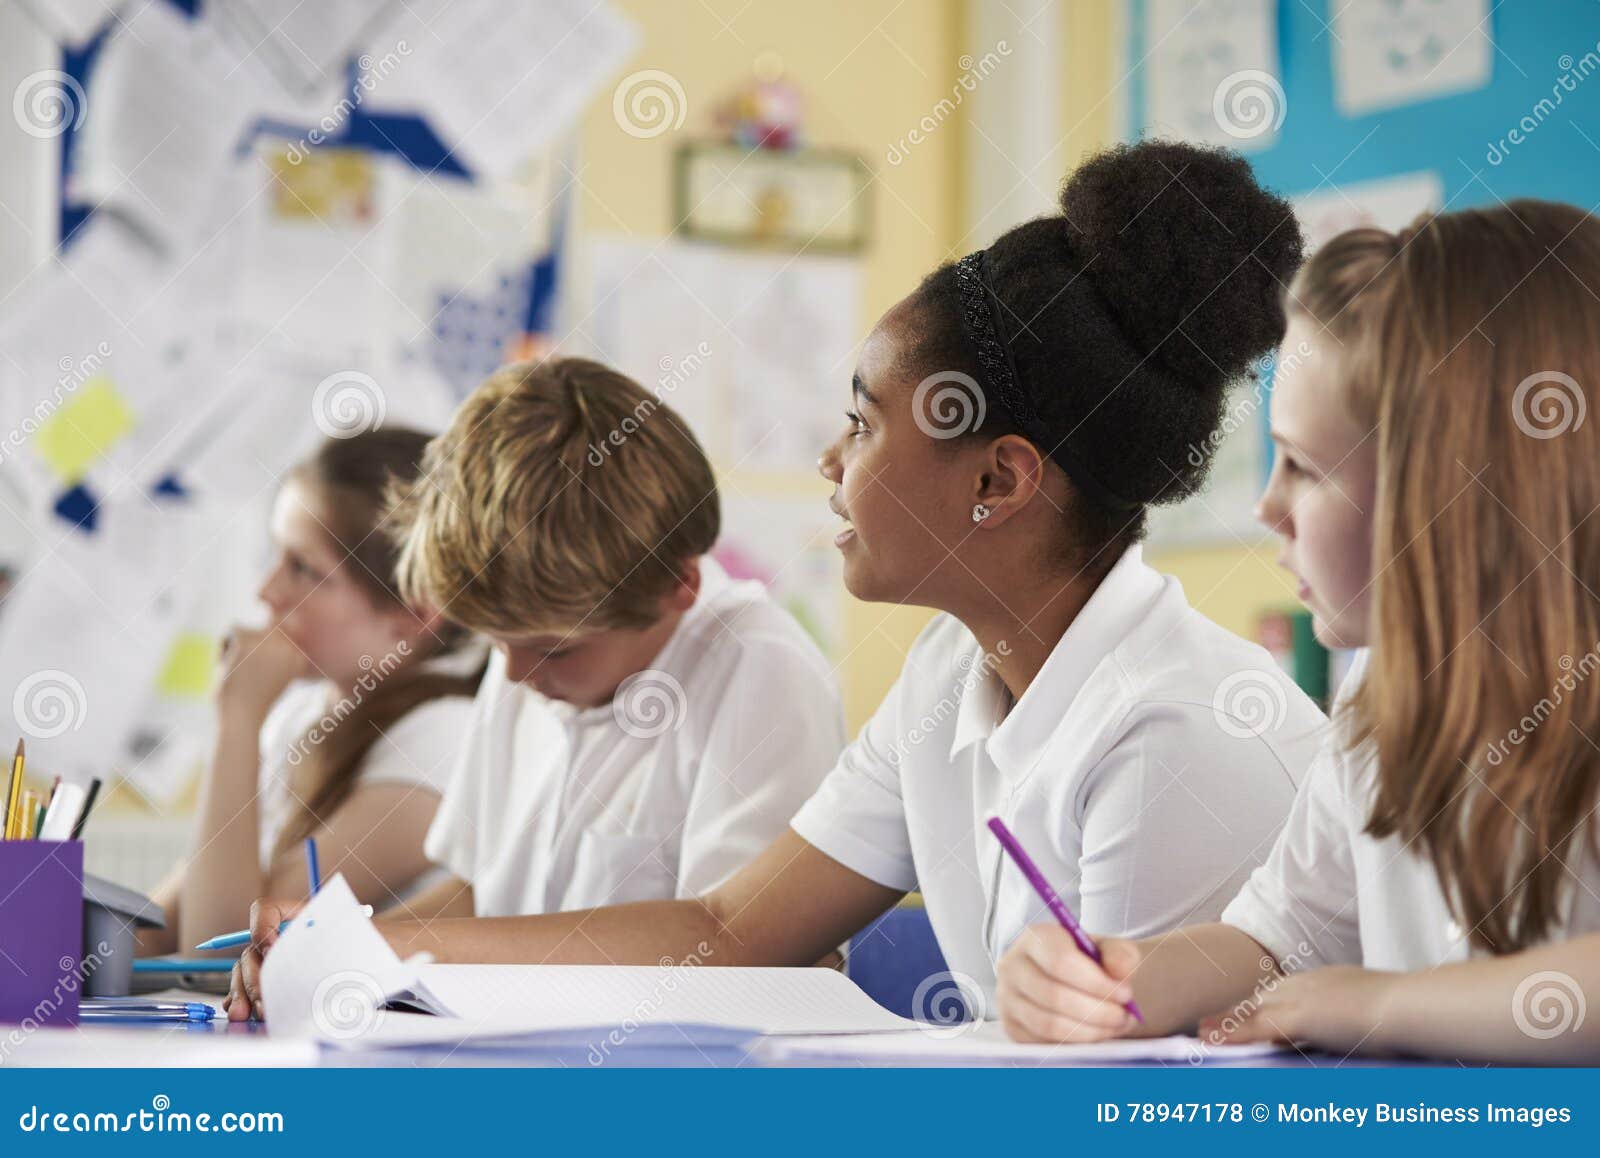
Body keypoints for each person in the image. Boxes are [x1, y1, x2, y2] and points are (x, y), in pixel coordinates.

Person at [994, 202, 1600, 1064]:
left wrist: (1386, 1004)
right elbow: (1280, 939)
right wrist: (1117, 982)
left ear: (1452, 491)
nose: (1266, 506)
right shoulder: (1380, 691)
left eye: (1306, 467)